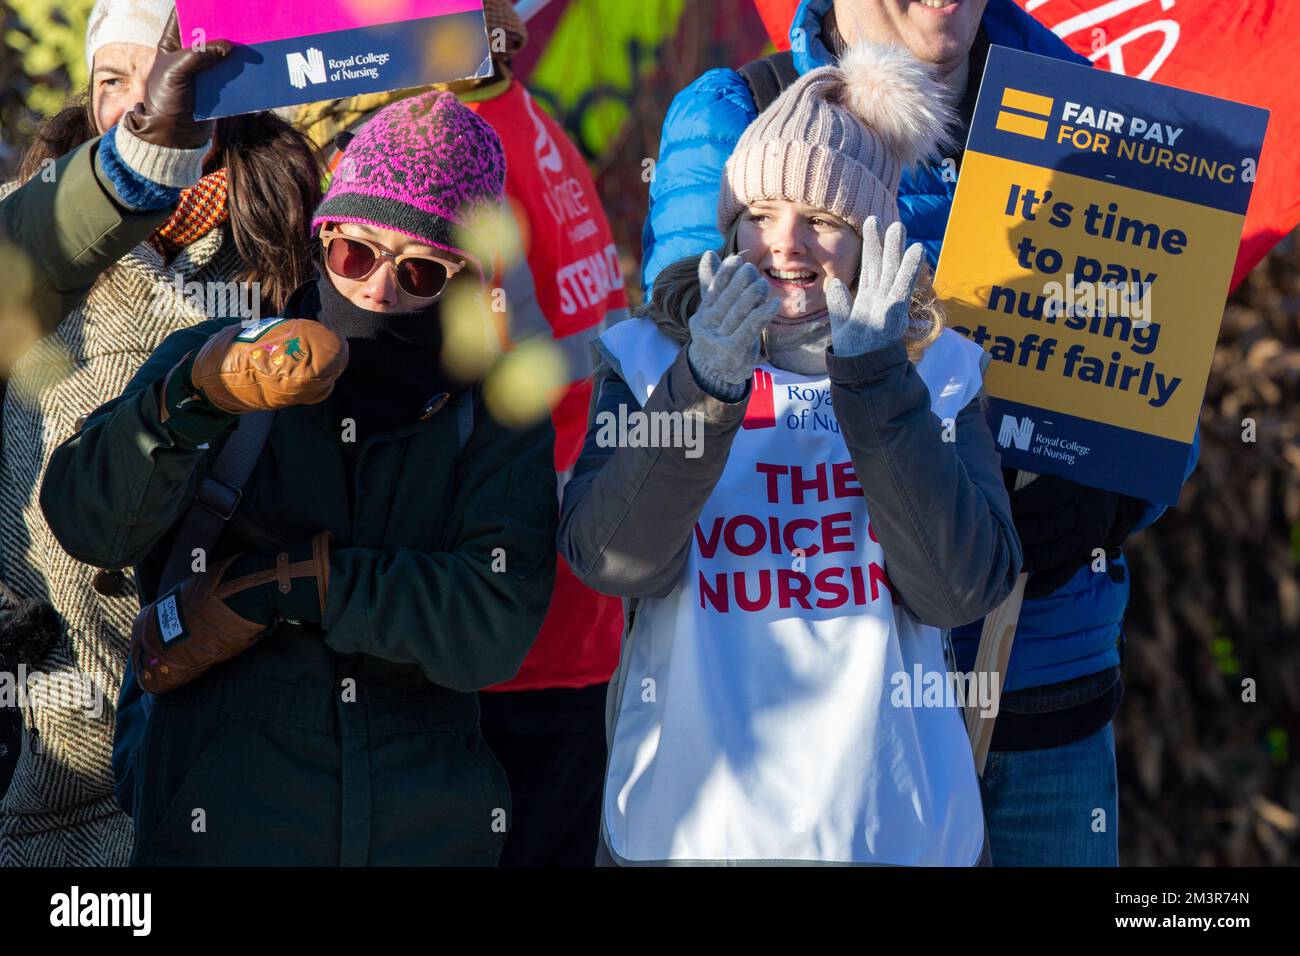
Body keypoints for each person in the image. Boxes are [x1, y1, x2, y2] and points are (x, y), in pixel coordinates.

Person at [640, 0, 1199, 866]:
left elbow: (1158, 376)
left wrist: (1114, 492)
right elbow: (681, 380)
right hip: (826, 716)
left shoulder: (1092, 115)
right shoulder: (740, 112)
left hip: (1041, 682)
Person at [39, 88, 558, 866]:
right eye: (356, 254)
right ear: (324, 240)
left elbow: (495, 626)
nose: (380, 289)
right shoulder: (225, 352)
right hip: (223, 820)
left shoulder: (493, 411)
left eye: (421, 271)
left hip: (423, 831)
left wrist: (301, 585)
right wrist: (188, 403)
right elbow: (86, 523)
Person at [559, 42, 1021, 865]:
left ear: (871, 240)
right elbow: (610, 559)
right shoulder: (645, 362)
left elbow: (960, 589)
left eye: (825, 220)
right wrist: (704, 386)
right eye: (760, 217)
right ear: (727, 226)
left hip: (892, 830)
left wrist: (877, 381)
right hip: (691, 829)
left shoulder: (941, 373)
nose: (787, 244)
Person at [296, 0, 630, 866]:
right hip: (525, 609)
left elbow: (473, 371)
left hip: (516, 626)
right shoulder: (503, 125)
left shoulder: (452, 151)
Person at [0, 0, 319, 866]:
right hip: (47, 741)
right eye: (114, 82)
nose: (145, 106)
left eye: (173, 77)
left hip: (229, 726)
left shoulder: (304, 253)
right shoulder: (24, 238)